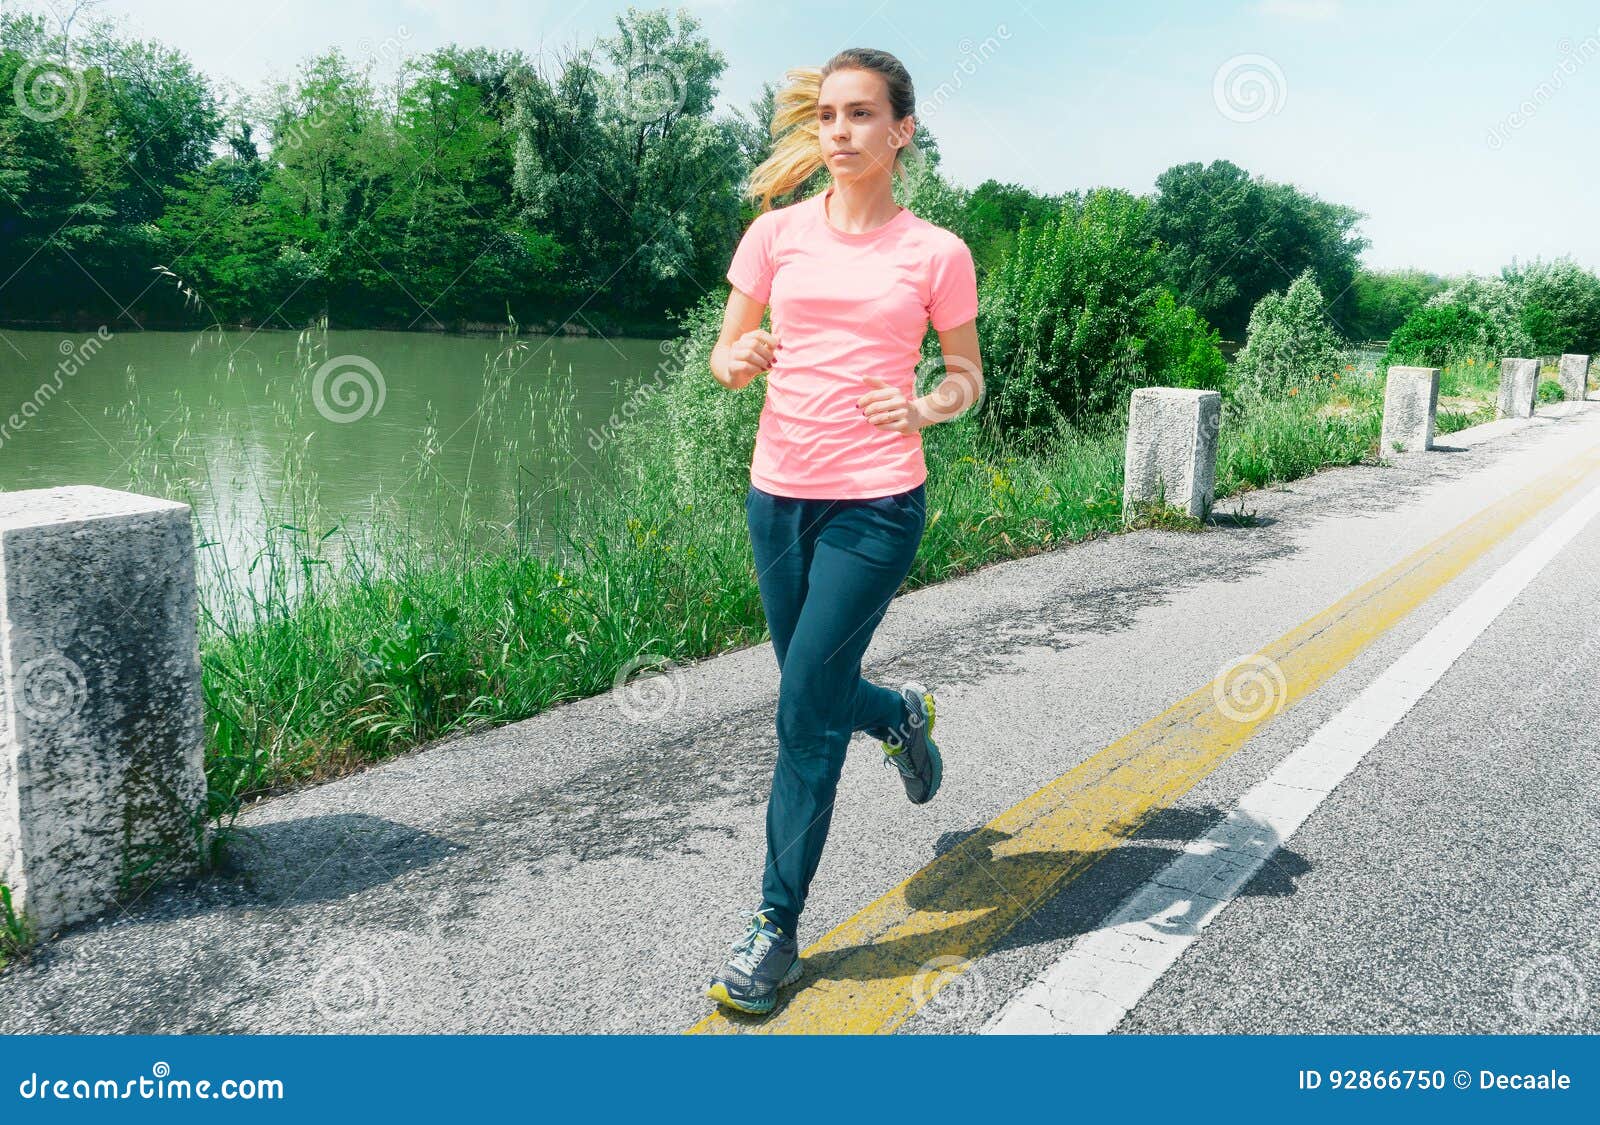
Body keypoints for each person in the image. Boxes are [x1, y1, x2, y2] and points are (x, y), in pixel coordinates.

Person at [703, 47, 983, 1015]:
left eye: (861, 115)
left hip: (876, 504)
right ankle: (898, 715)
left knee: (800, 715)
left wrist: (925, 407)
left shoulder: (935, 252)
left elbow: (965, 376)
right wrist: (740, 357)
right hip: (777, 494)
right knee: (810, 683)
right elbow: (724, 358)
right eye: (827, 115)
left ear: (901, 130)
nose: (839, 131)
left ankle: (774, 929)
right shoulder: (773, 235)